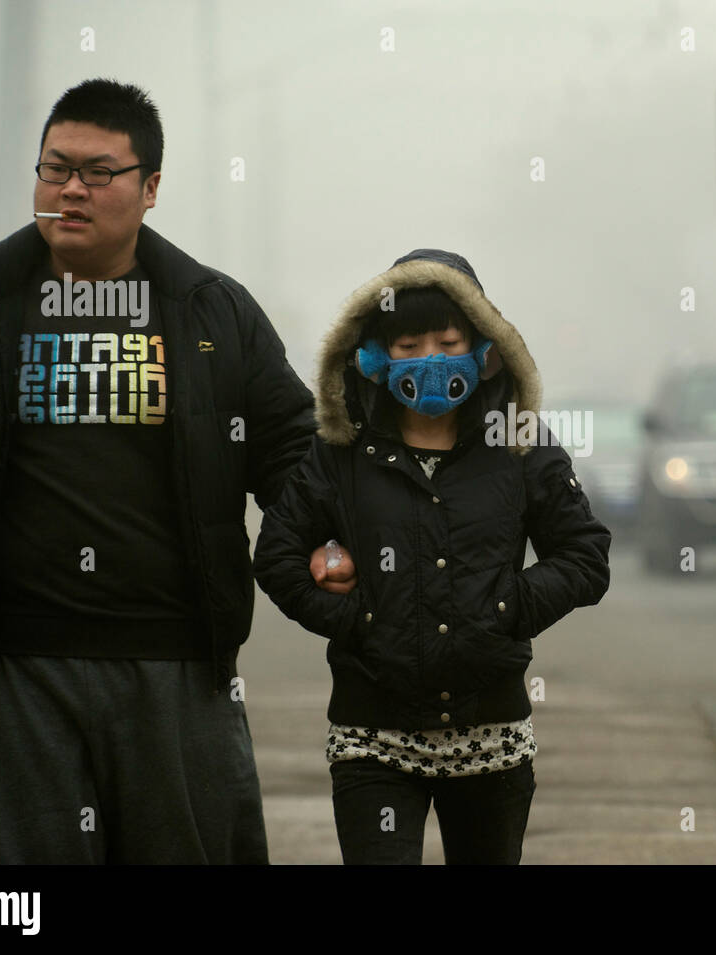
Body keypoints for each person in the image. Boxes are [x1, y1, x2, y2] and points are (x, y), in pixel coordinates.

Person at [0, 79, 318, 863]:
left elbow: (291, 446)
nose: (71, 190)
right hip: (15, 659)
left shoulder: (209, 310)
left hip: (176, 657)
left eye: (98, 172)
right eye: (54, 169)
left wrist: (323, 544)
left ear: (151, 188)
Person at [252, 249, 612, 864]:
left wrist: (508, 607)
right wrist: (357, 620)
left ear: (485, 349)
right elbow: (279, 558)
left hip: (491, 736)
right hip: (372, 738)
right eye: (409, 345)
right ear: (372, 357)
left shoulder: (518, 444)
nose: (431, 360)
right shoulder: (339, 453)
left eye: (448, 340)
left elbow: (584, 555)